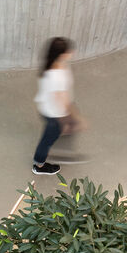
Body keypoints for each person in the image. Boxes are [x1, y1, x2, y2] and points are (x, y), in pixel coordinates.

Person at [32, 37, 79, 176]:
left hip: (48, 107)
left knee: (55, 133)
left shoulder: (53, 64)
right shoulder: (56, 75)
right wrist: (73, 117)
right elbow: (61, 100)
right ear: (62, 54)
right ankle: (39, 165)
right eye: (68, 51)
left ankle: (63, 132)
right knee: (47, 140)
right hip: (54, 114)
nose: (72, 52)